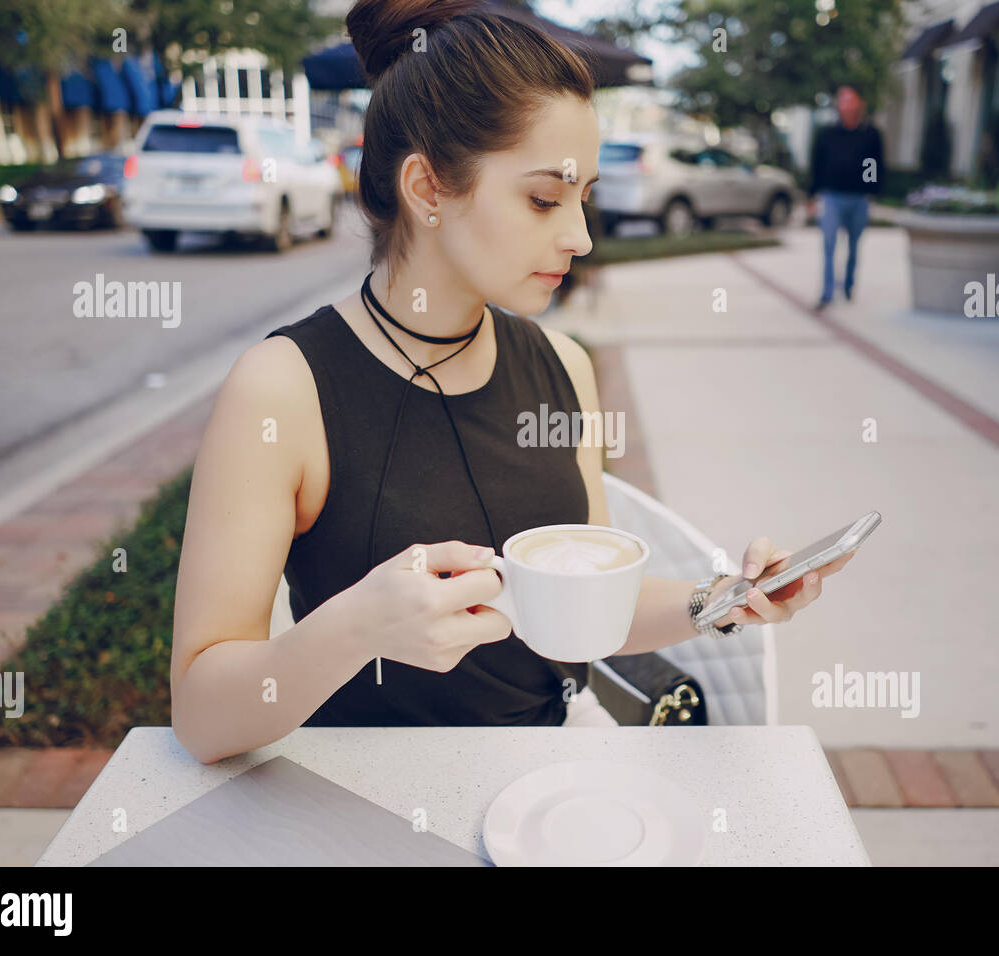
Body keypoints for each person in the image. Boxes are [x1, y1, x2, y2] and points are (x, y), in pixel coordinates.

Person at [169, 0, 858, 764]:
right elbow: (202, 714)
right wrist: (357, 625)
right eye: (543, 199)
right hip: (362, 797)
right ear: (427, 190)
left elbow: (586, 615)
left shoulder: (560, 366)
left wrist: (725, 598)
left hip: (552, 783)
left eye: (584, 197)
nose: (581, 237)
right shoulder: (283, 389)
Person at [807, 86, 884, 309]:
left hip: (859, 198)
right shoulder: (828, 133)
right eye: (843, 101)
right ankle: (827, 292)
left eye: (851, 101)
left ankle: (849, 284)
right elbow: (818, 165)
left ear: (859, 104)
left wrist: (872, 191)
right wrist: (812, 194)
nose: (847, 105)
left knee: (853, 245)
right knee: (829, 243)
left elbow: (874, 164)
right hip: (832, 196)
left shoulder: (870, 134)